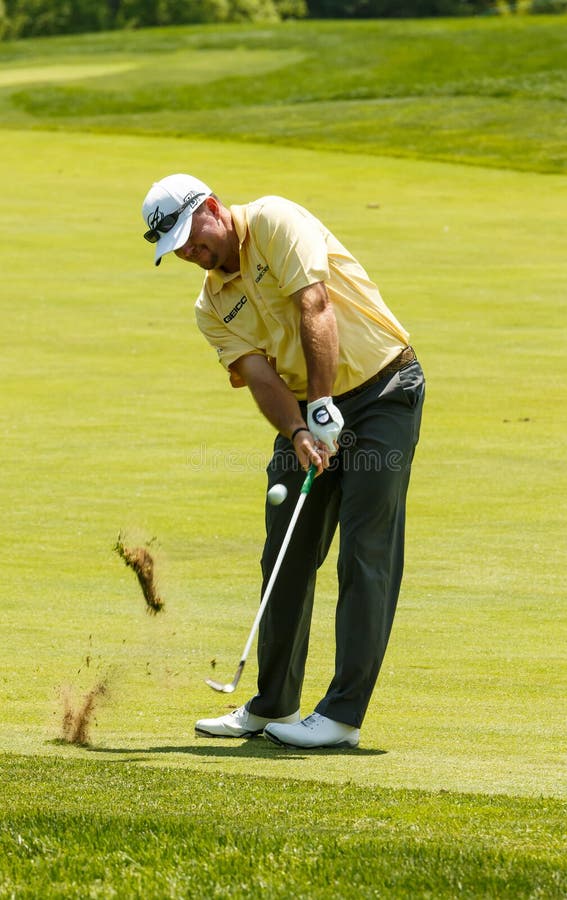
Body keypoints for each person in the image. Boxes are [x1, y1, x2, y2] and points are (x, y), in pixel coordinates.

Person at [141, 173, 425, 749]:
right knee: (285, 555)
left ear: (212, 209)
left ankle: (342, 714)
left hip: (382, 391)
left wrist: (321, 404)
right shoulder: (211, 306)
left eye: (194, 242)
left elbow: (314, 306)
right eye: (180, 254)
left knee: (366, 554)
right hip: (306, 408)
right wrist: (298, 429)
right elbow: (258, 375)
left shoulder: (275, 221)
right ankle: (273, 703)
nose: (193, 257)